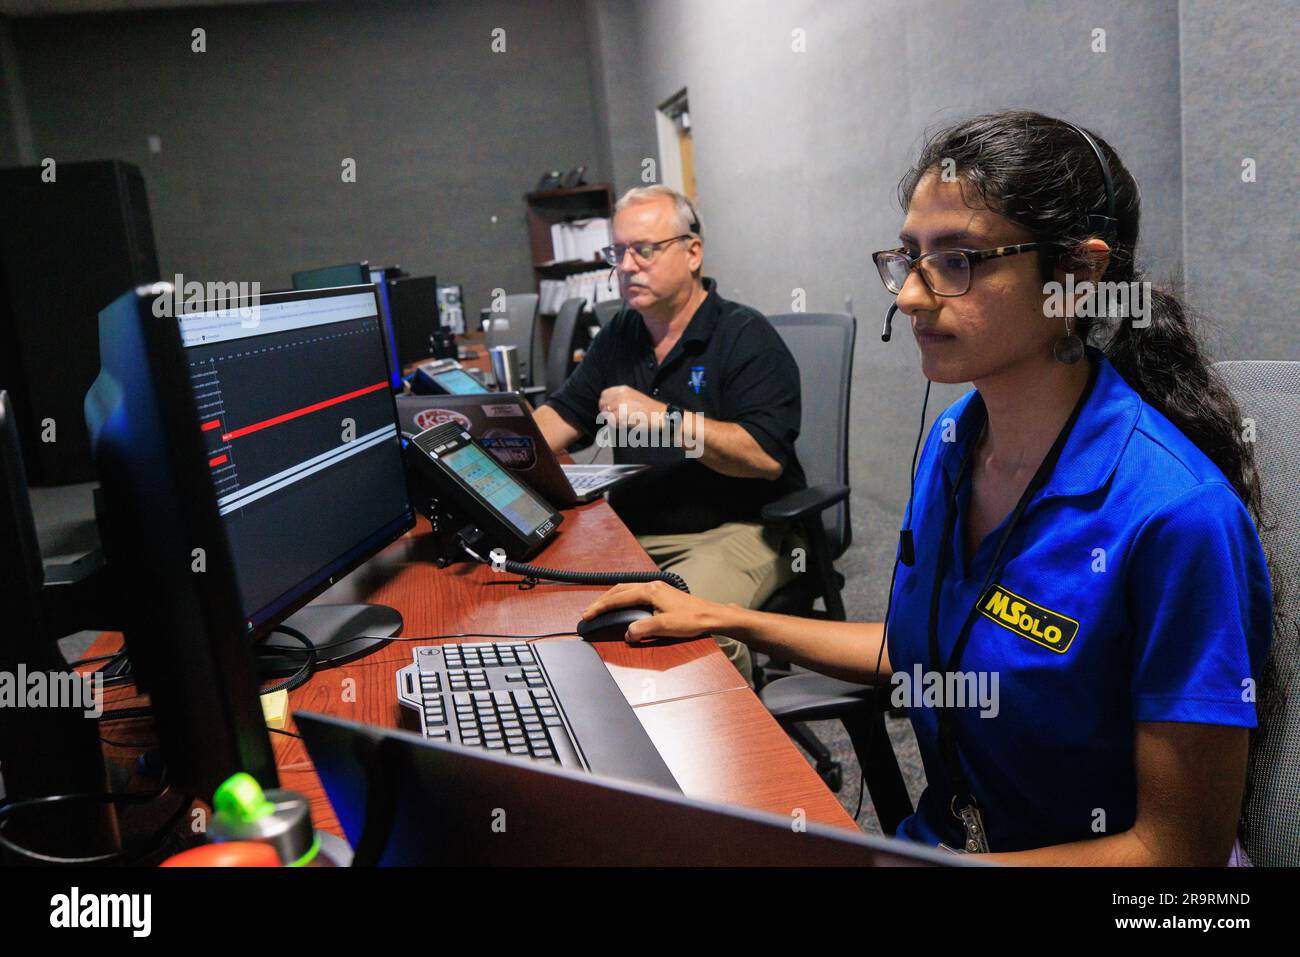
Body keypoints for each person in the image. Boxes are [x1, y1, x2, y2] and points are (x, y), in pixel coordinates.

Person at [580, 111, 1279, 864]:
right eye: (908, 257)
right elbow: (933, 651)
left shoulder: (1176, 517)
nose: (910, 296)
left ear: (1078, 277)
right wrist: (725, 617)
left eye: (957, 260)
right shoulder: (953, 447)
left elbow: (1178, 855)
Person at [533, 185, 806, 685]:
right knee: (549, 608)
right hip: (635, 533)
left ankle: (741, 757)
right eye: (618, 252)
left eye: (645, 249)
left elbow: (765, 458)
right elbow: (561, 418)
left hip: (739, 531)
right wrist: (489, 448)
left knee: (689, 630)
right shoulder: (622, 334)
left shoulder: (744, 336)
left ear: (692, 252)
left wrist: (667, 420)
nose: (629, 266)